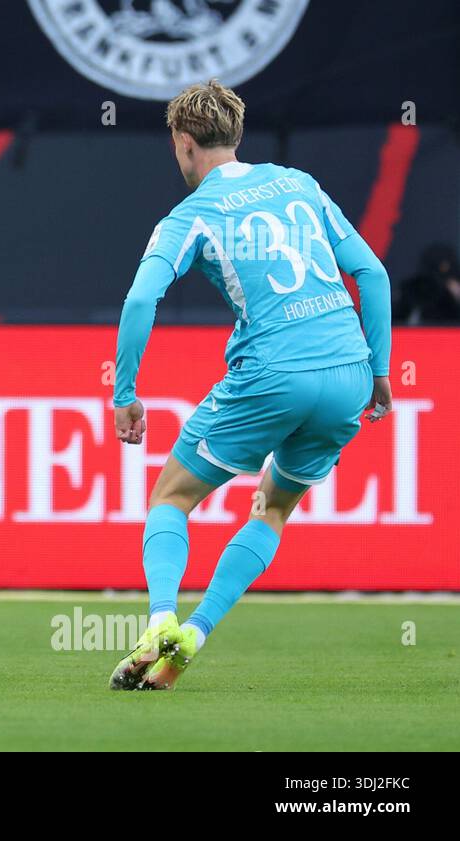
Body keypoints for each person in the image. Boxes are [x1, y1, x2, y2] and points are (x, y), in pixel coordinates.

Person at [108, 79, 392, 690]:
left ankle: (162, 619)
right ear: (236, 135)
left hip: (272, 373)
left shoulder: (190, 215)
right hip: (346, 371)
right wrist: (380, 371)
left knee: (171, 500)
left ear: (184, 144)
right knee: (272, 508)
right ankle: (197, 634)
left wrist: (124, 393)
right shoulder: (300, 184)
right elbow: (371, 271)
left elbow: (140, 299)